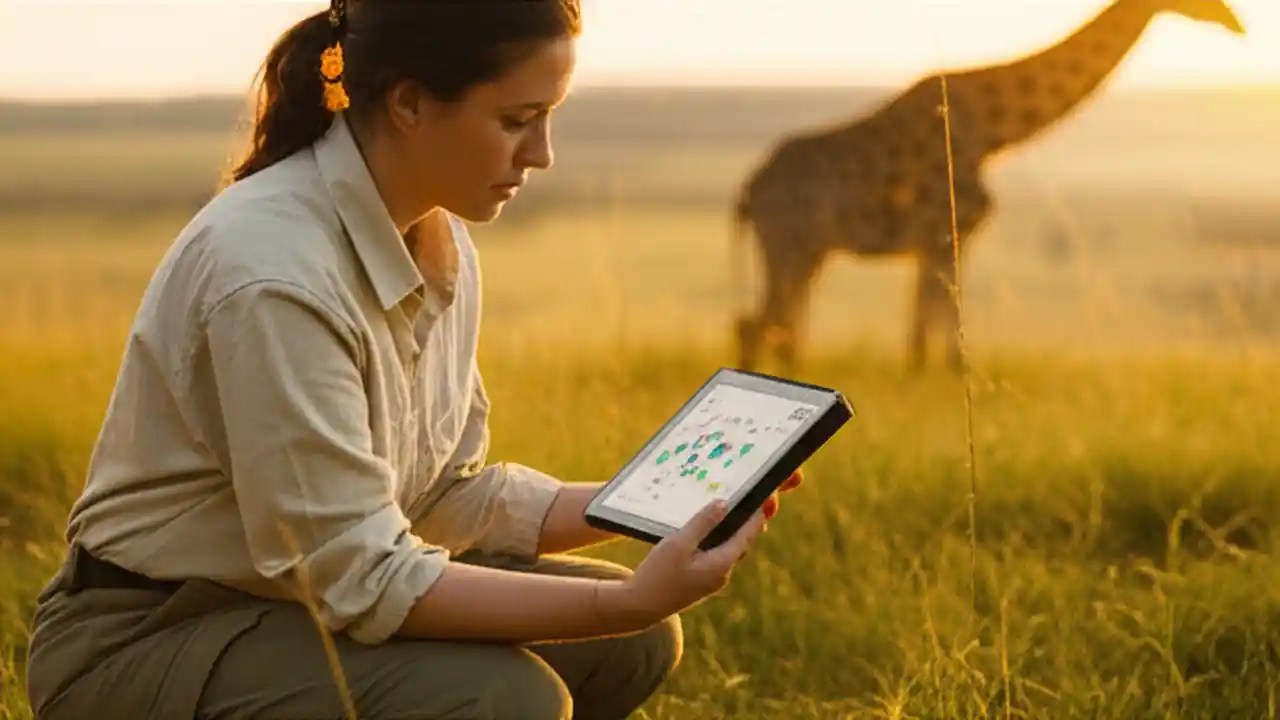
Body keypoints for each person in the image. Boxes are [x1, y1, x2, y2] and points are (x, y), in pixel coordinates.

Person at [24, 1, 803, 718]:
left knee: (635, 643)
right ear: (409, 103)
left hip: (286, 605)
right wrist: (624, 598)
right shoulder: (272, 273)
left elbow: (441, 497)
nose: (543, 155)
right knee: (508, 699)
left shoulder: (435, 235)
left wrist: (666, 498)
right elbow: (358, 576)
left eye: (548, 118)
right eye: (517, 119)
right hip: (147, 636)